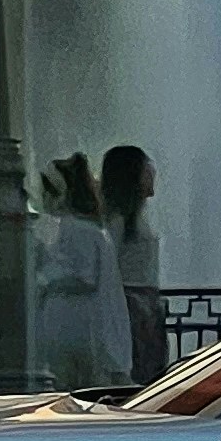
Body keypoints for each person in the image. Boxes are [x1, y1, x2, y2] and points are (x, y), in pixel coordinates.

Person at [29, 152, 133, 393]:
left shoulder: (76, 229)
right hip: (83, 328)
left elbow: (83, 275)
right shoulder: (90, 230)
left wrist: (45, 280)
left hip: (78, 328)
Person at [100, 144, 166, 382]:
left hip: (146, 304)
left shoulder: (135, 219)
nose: (152, 174)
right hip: (132, 305)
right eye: (146, 170)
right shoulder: (118, 223)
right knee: (141, 367)